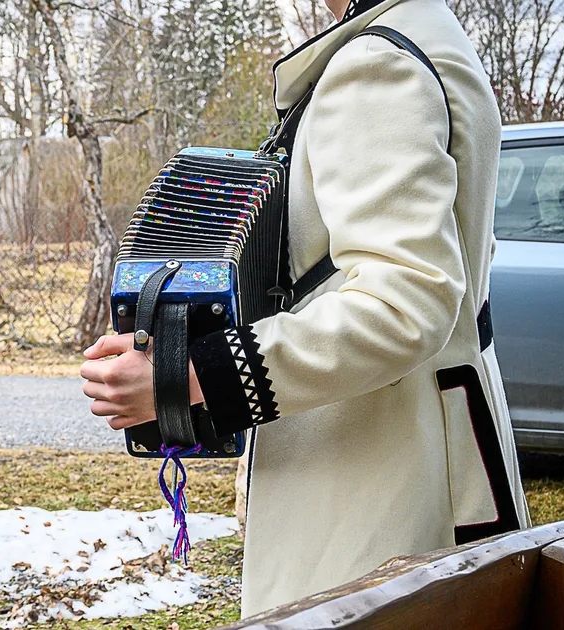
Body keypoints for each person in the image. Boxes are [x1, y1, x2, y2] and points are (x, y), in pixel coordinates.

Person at [80, 0, 529, 617]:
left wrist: (190, 373)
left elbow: (407, 299)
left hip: (376, 471)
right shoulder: (427, 31)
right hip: (426, 446)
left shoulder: (376, 63)